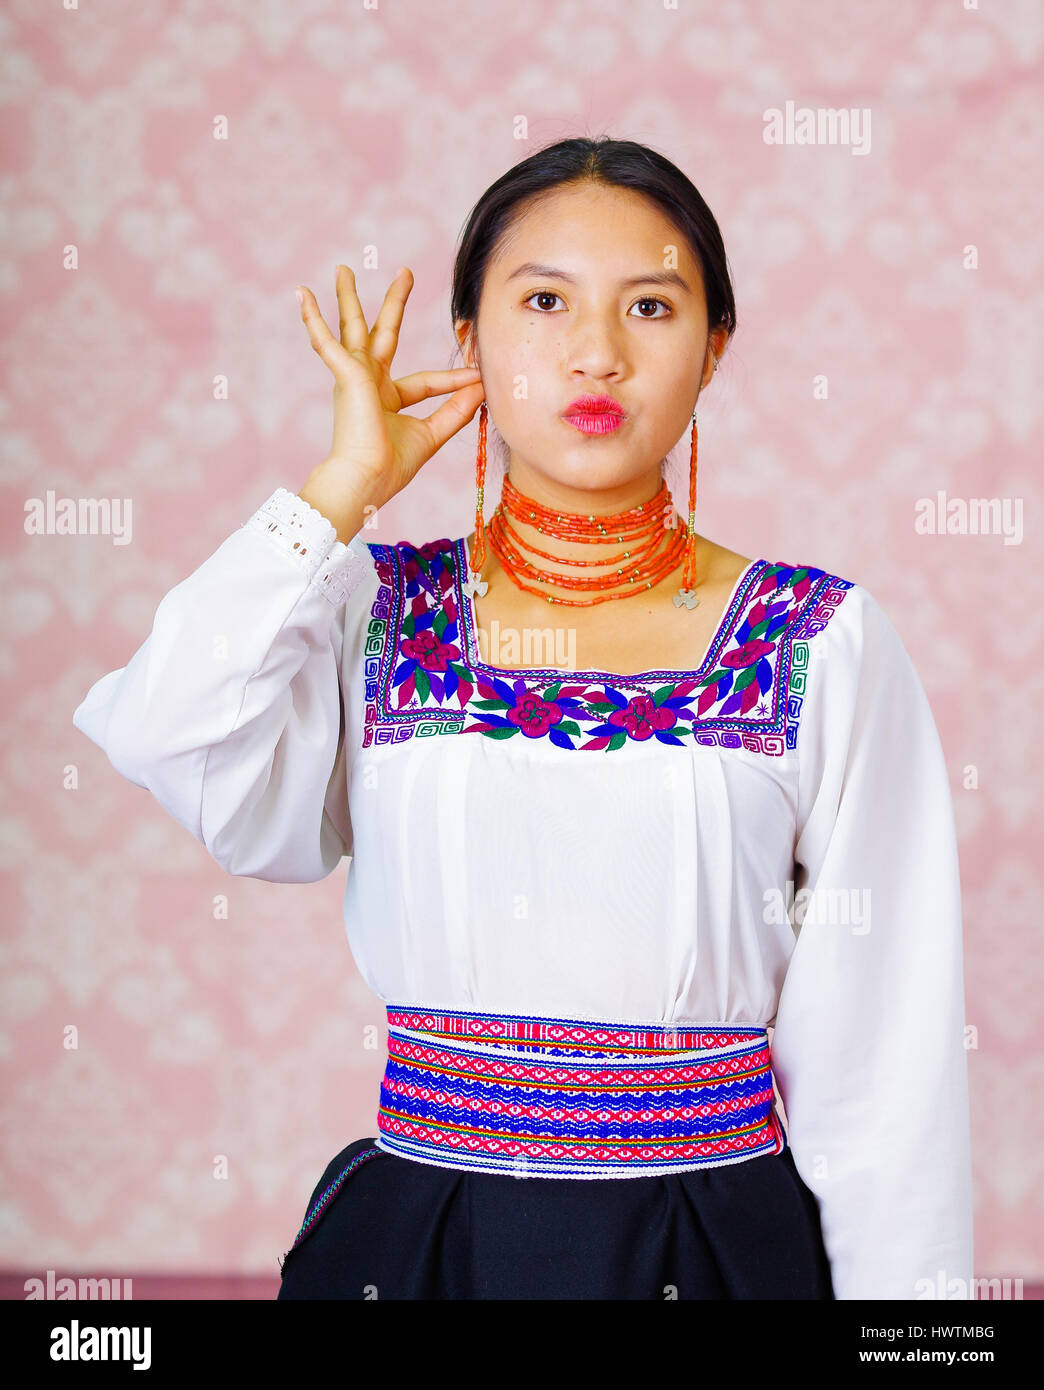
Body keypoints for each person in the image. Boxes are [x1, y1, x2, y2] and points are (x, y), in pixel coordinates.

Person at [72, 136, 973, 1301]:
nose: (594, 351)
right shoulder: (371, 611)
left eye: (650, 305)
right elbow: (169, 734)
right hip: (422, 1240)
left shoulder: (818, 639)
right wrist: (344, 486)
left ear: (716, 351)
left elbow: (886, 1068)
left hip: (713, 1245)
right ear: (471, 345)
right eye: (543, 300)